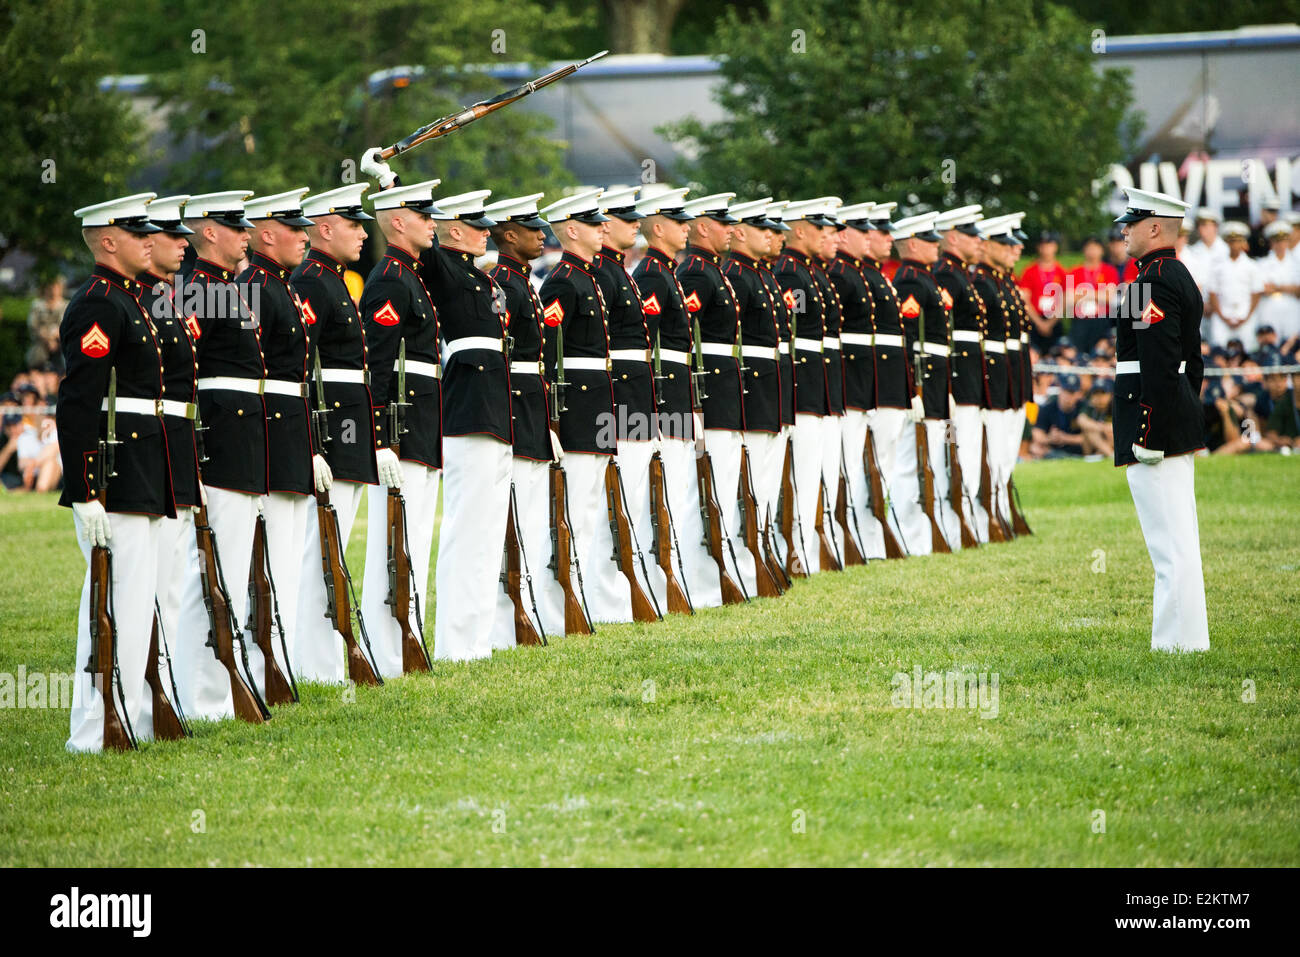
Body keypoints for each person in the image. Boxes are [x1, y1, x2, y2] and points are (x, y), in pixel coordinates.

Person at [58, 192, 171, 752]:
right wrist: (85, 491)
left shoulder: (130, 301)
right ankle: (92, 729)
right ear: (108, 240)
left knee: (135, 600)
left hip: (141, 465)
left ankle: (129, 715)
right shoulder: (100, 304)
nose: (149, 239)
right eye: (136, 232)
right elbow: (78, 402)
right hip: (114, 474)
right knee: (109, 602)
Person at [171, 189, 266, 721]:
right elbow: (184, 375)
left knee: (228, 569)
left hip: (243, 437)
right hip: (220, 441)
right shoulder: (194, 290)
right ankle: (201, 695)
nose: (246, 234)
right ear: (209, 231)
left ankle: (217, 691)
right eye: (236, 226)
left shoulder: (223, 288)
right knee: (208, 572)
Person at [1113, 185, 1209, 652]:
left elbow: (1156, 363)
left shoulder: (1147, 283)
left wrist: (1148, 430)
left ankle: (1177, 644)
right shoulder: (1179, 275)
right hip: (1175, 415)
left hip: (1154, 424)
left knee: (1169, 545)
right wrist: (1186, 409)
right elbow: (1193, 363)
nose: (1124, 232)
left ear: (1154, 228)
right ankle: (1184, 639)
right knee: (1178, 538)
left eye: (1131, 224)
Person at [292, 183, 381, 683]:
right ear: (325, 229)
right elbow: (299, 370)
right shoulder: (312, 282)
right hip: (330, 426)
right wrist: (313, 442)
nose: (364, 233)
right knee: (319, 546)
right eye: (354, 224)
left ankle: (323, 656)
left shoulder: (338, 280)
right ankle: (313, 661)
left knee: (334, 542)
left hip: (347, 422)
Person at [240, 188, 327, 694]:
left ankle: (282, 661)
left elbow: (299, 377)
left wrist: (313, 445)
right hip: (271, 431)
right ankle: (262, 663)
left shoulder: (283, 285)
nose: (306, 236)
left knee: (289, 556)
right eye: (296, 229)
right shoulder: (254, 285)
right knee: (269, 558)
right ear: (266, 234)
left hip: (292, 428)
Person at [357, 179, 446, 676]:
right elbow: (379, 365)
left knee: (411, 540)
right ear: (397, 222)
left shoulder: (410, 274)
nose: (433, 222)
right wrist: (380, 437)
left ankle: (403, 641)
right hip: (402, 425)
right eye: (422, 214)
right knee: (394, 542)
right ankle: (385, 648)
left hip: (422, 422)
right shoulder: (391, 279)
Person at [539, 188, 633, 622]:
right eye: (594, 224)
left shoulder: (590, 278)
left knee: (589, 503)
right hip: (577, 401)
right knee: (573, 505)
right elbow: (548, 350)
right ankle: (561, 604)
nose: (602, 230)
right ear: (572, 229)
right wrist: (554, 415)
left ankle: (582, 599)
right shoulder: (562, 281)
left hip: (597, 397)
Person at [483, 192, 571, 642]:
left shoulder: (523, 280)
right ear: (508, 235)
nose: (542, 235)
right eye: (533, 229)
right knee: (513, 518)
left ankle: (527, 610)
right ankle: (508, 618)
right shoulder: (501, 282)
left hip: (533, 404)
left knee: (534, 514)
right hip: (517, 405)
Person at [631, 185, 720, 605]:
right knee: (668, 490)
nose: (687, 229)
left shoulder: (665, 270)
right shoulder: (651, 272)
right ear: (659, 227)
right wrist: (663, 401)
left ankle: (674, 581)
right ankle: (661, 584)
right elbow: (646, 344)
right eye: (679, 223)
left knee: (680, 488)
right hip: (665, 393)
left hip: (678, 389)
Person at [135, 194, 201, 714]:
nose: (186, 244)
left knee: (172, 583)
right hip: (145, 454)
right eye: (172, 236)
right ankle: (135, 700)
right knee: (138, 590)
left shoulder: (171, 296)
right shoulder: (133, 301)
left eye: (187, 234)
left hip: (177, 450)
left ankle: (165, 693)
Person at [593, 185, 664, 612]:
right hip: (620, 393)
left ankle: (626, 586)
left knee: (634, 493)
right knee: (616, 495)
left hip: (636, 391)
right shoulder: (602, 271)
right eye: (624, 217)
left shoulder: (617, 270)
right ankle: (612, 592)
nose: (635, 223)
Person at [678, 191, 753, 588]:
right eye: (725, 225)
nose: (732, 232)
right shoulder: (695, 272)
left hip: (725, 384)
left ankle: (720, 570)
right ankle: (704, 575)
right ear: (703, 227)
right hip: (710, 389)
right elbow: (685, 338)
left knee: (725, 480)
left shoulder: (713, 270)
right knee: (709, 485)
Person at [775, 197, 843, 572]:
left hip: (823, 385)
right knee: (801, 472)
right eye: (822, 229)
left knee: (820, 468)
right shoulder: (790, 273)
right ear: (799, 230)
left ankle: (816, 544)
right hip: (806, 386)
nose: (827, 236)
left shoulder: (812, 272)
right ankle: (797, 550)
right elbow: (794, 339)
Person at [889, 211, 963, 553]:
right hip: (923, 376)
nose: (938, 245)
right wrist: (910, 387)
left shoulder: (925, 278)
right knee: (911, 460)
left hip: (935, 375)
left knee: (930, 455)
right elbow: (907, 340)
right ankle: (907, 530)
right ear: (913, 244)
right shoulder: (910, 280)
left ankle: (920, 528)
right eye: (930, 239)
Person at [725, 196, 787, 590]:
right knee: (748, 479)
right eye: (764, 229)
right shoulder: (736, 274)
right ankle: (746, 556)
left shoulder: (761, 275)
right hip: (750, 385)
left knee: (765, 479)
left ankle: (760, 551)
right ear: (742, 232)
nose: (774, 236)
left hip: (768, 382)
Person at [933, 204, 990, 542]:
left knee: (966, 450)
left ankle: (963, 518)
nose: (978, 242)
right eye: (971, 236)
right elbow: (944, 331)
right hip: (956, 380)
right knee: (954, 449)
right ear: (953, 237)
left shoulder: (961, 274)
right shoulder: (946, 275)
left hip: (968, 378)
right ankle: (953, 520)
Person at [1207, 222, 1263, 349]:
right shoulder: (1218, 266)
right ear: (1227, 242)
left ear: (1243, 243)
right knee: (1219, 350)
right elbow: (1212, 292)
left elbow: (1256, 293)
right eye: (1232, 241)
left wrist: (1246, 317)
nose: (1235, 245)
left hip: (1244, 315)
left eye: (1238, 241)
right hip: (1223, 315)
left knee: (1247, 350)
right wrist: (1223, 316)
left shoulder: (1252, 266)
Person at [1068, 236, 1119, 354]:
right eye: (1089, 248)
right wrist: (1098, 294)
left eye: (1096, 248)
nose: (1092, 251)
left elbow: (1109, 297)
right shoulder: (1075, 271)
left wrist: (1084, 293)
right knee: (1078, 354)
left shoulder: (1109, 271)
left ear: (1102, 250)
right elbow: (1070, 299)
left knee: (1100, 355)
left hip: (1102, 320)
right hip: (1080, 321)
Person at [1018, 230, 1067, 353]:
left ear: (1055, 246)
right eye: (1043, 245)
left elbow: (1065, 299)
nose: (1046, 248)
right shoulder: (1029, 271)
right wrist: (1039, 323)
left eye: (1049, 244)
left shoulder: (1061, 272)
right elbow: (1025, 298)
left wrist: (1050, 323)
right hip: (1034, 320)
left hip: (1054, 320)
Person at [1256, 220, 1300, 342]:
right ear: (1271, 242)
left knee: (1292, 342)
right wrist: (1288, 288)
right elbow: (1263, 288)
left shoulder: (1296, 263)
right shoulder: (1262, 264)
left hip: (1291, 306)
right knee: (1270, 341)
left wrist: (1277, 287)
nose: (1281, 245)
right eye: (1277, 241)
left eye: (1284, 241)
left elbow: (1298, 290)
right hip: (1270, 306)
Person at [1180, 208, 1228, 305]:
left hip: (1223, 305)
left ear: (1215, 227)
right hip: (1200, 304)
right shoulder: (1193, 251)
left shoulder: (1227, 250)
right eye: (1199, 226)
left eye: (1205, 225)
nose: (1201, 229)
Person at [1030, 373, 1085, 458]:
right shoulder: (1048, 408)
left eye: (1072, 392)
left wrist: (1065, 438)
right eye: (1066, 391)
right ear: (1060, 390)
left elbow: (1089, 438)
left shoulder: (1083, 407)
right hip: (1053, 449)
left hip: (1079, 451)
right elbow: (1037, 433)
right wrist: (1050, 438)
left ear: (1078, 394)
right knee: (1036, 448)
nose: (1068, 396)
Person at [26, 277, 68, 372]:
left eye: (56, 287)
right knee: (36, 356)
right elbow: (33, 326)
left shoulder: (66, 305)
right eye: (51, 286)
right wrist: (48, 339)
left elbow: (68, 327)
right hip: (41, 343)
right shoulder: (37, 305)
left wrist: (55, 338)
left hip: (61, 344)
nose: (53, 289)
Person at [1263, 370, 1299, 448]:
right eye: (1298, 377)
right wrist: (1280, 440)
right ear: (1292, 380)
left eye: (1282, 379)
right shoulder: (1284, 402)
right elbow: (1271, 434)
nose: (1278, 384)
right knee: (1265, 445)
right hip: (1289, 446)